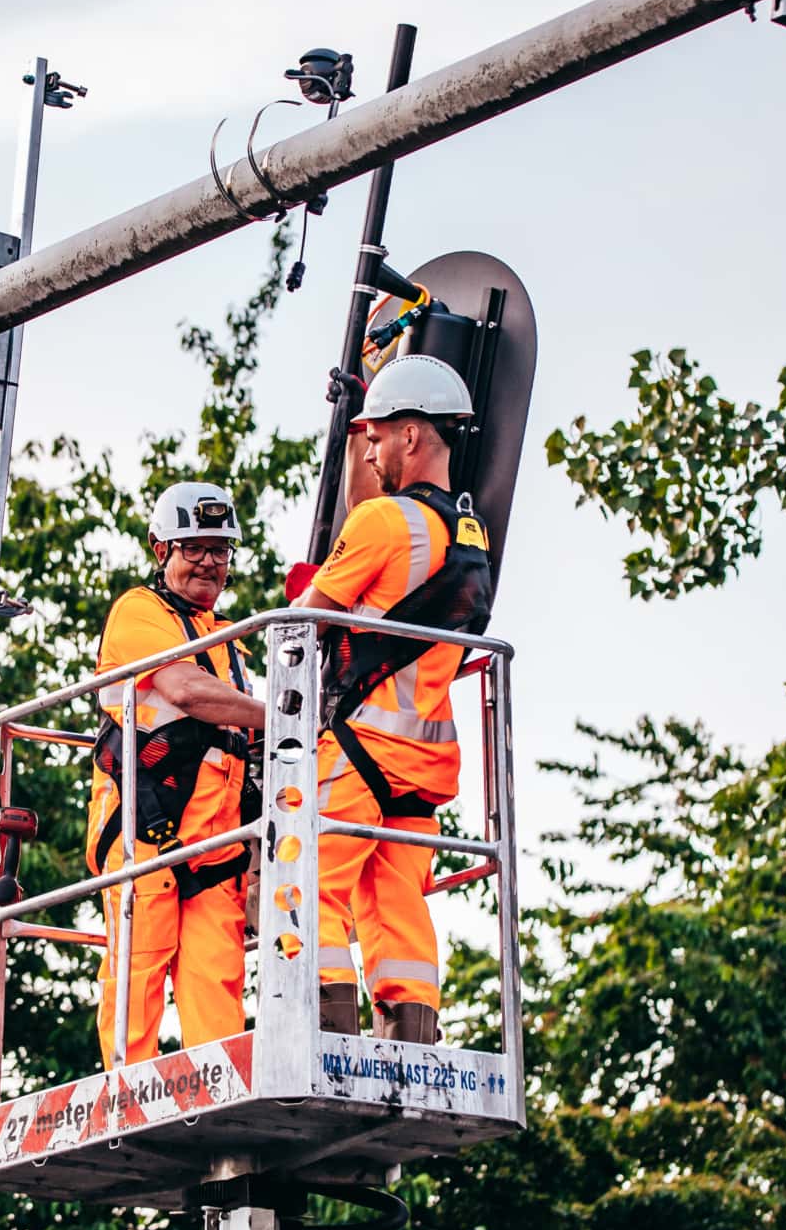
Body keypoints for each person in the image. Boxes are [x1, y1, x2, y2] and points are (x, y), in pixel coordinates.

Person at [298, 354, 492, 1046]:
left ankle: (321, 1031)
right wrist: (355, 429)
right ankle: (410, 1035)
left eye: (379, 437)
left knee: (306, 884)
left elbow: (306, 619)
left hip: (359, 754)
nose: (373, 451)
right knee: (395, 904)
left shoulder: (382, 525)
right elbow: (371, 518)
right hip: (423, 765)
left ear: (411, 436)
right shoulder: (469, 538)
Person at [86, 482, 268, 1066]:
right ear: (160, 548)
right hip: (147, 834)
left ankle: (221, 1101)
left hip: (216, 846)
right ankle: (122, 1099)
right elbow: (187, 692)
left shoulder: (228, 641)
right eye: (195, 547)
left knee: (217, 984)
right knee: (137, 974)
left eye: (221, 549)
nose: (210, 562)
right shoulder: (138, 613)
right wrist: (285, 714)